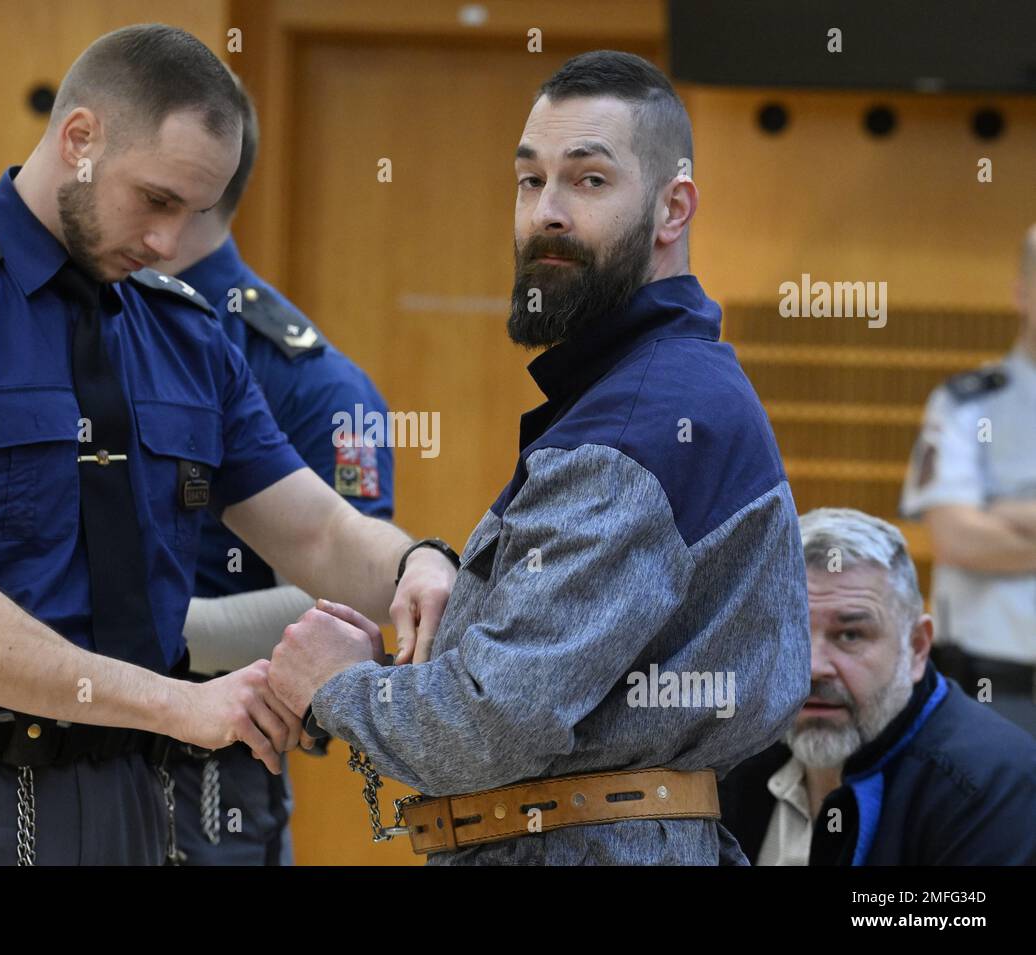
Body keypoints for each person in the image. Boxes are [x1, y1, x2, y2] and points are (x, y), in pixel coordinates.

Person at [0, 23, 454, 866]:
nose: (166, 241)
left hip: (137, 794)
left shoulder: (185, 332)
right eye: (155, 200)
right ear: (79, 138)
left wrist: (421, 565)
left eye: (192, 213)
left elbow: (319, 531)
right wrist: (174, 704)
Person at [268, 50, 810, 865]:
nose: (546, 213)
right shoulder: (662, 390)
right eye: (531, 181)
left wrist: (338, 684)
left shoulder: (641, 423)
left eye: (589, 180)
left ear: (672, 208)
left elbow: (488, 722)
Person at [157, 78, 395, 865]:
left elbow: (342, 602)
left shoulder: (312, 381)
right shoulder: (78, 330)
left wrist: (112, 636)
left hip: (210, 779)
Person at [718, 508, 1036, 865]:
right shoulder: (730, 755)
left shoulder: (991, 787)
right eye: (795, 633)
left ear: (916, 647)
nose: (813, 667)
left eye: (850, 635)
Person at [900, 225, 1036, 737]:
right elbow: (956, 537)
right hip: (990, 694)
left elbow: (980, 530)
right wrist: (981, 525)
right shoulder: (965, 403)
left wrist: (1004, 514)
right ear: (1022, 292)